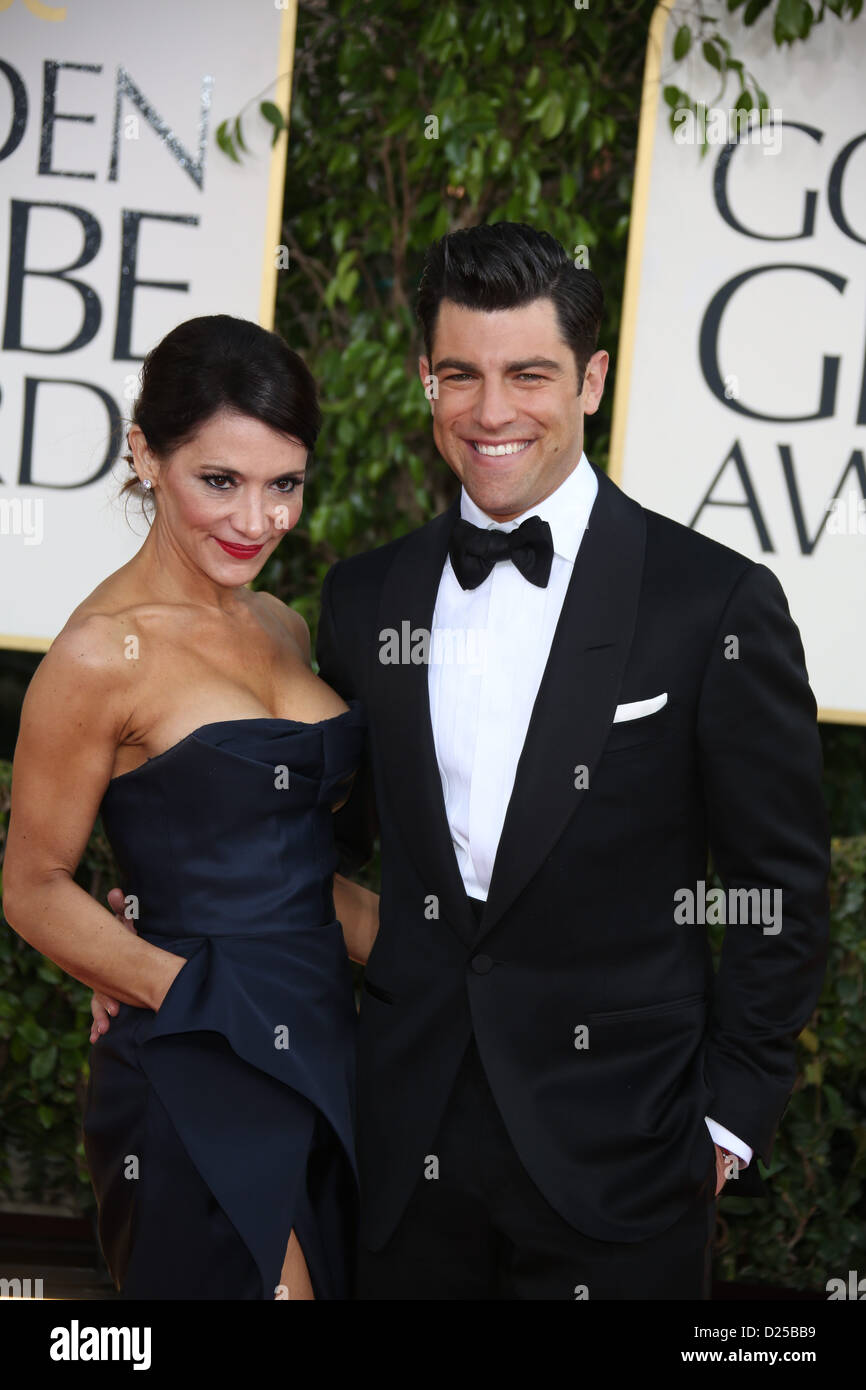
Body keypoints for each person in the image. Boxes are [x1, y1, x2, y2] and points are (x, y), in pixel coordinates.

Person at [312, 222, 830, 1298]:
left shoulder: (711, 603)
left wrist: (729, 1115)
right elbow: (315, 841)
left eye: (528, 373)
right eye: (460, 373)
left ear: (590, 379)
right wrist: (165, 930)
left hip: (626, 1156)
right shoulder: (366, 600)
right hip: (406, 1148)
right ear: (425, 380)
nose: (490, 411)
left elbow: (775, 886)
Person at [2, 314, 378, 1300]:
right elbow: (33, 887)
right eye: (220, 480)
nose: (255, 520)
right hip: (197, 1054)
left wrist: (475, 967)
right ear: (144, 453)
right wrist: (185, 989)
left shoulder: (281, 625)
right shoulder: (97, 653)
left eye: (282, 484)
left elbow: (296, 874)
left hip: (327, 1038)